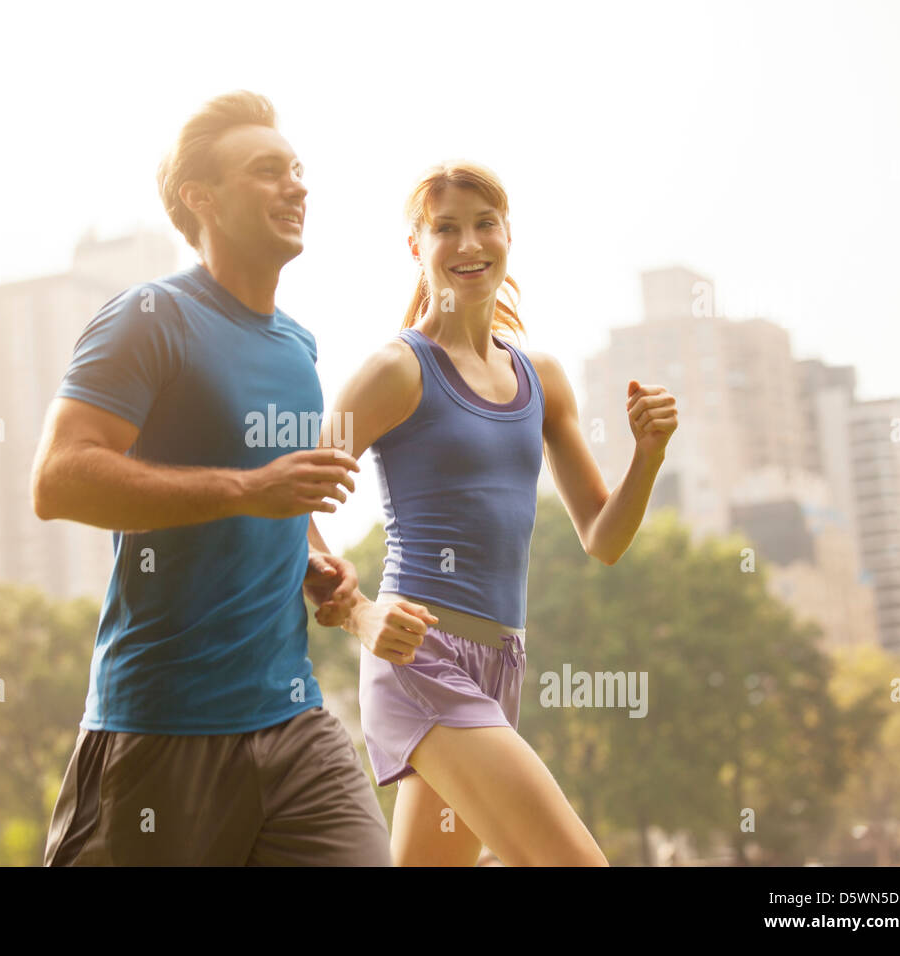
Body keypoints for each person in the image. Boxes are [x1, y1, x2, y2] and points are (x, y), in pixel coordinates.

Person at [33, 90, 391, 866]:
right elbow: (58, 478)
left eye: (297, 170)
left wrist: (315, 561)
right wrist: (246, 491)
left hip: (293, 720)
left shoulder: (299, 347)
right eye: (268, 171)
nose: (296, 186)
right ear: (202, 200)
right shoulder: (149, 316)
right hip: (164, 727)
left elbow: (277, 496)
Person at [322, 160, 677, 866]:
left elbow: (603, 539)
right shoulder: (396, 371)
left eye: (484, 224)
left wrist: (648, 455)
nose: (468, 244)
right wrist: (357, 610)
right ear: (416, 247)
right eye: (445, 228)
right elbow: (285, 497)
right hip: (420, 657)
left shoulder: (541, 378)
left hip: (502, 662)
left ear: (508, 233)